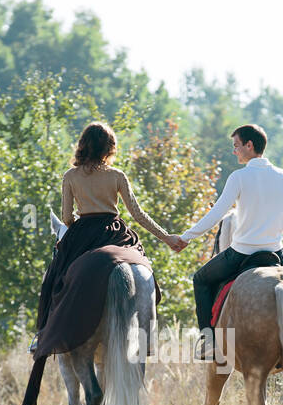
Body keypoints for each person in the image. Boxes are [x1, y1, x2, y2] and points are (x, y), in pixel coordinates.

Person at [29, 122, 183, 354]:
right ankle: (148, 339)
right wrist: (167, 238)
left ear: (82, 146)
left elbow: (66, 216)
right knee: (143, 268)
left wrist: (76, 227)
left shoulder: (70, 176)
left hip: (82, 233)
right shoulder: (117, 175)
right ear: (109, 147)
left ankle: (42, 333)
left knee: (54, 277)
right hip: (114, 231)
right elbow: (138, 214)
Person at [170, 124, 283, 360]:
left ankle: (209, 343)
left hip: (241, 254)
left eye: (237, 146)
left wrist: (186, 237)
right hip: (276, 252)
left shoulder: (239, 177)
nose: (234, 151)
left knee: (199, 280)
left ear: (250, 146)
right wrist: (271, 232)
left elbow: (217, 213)